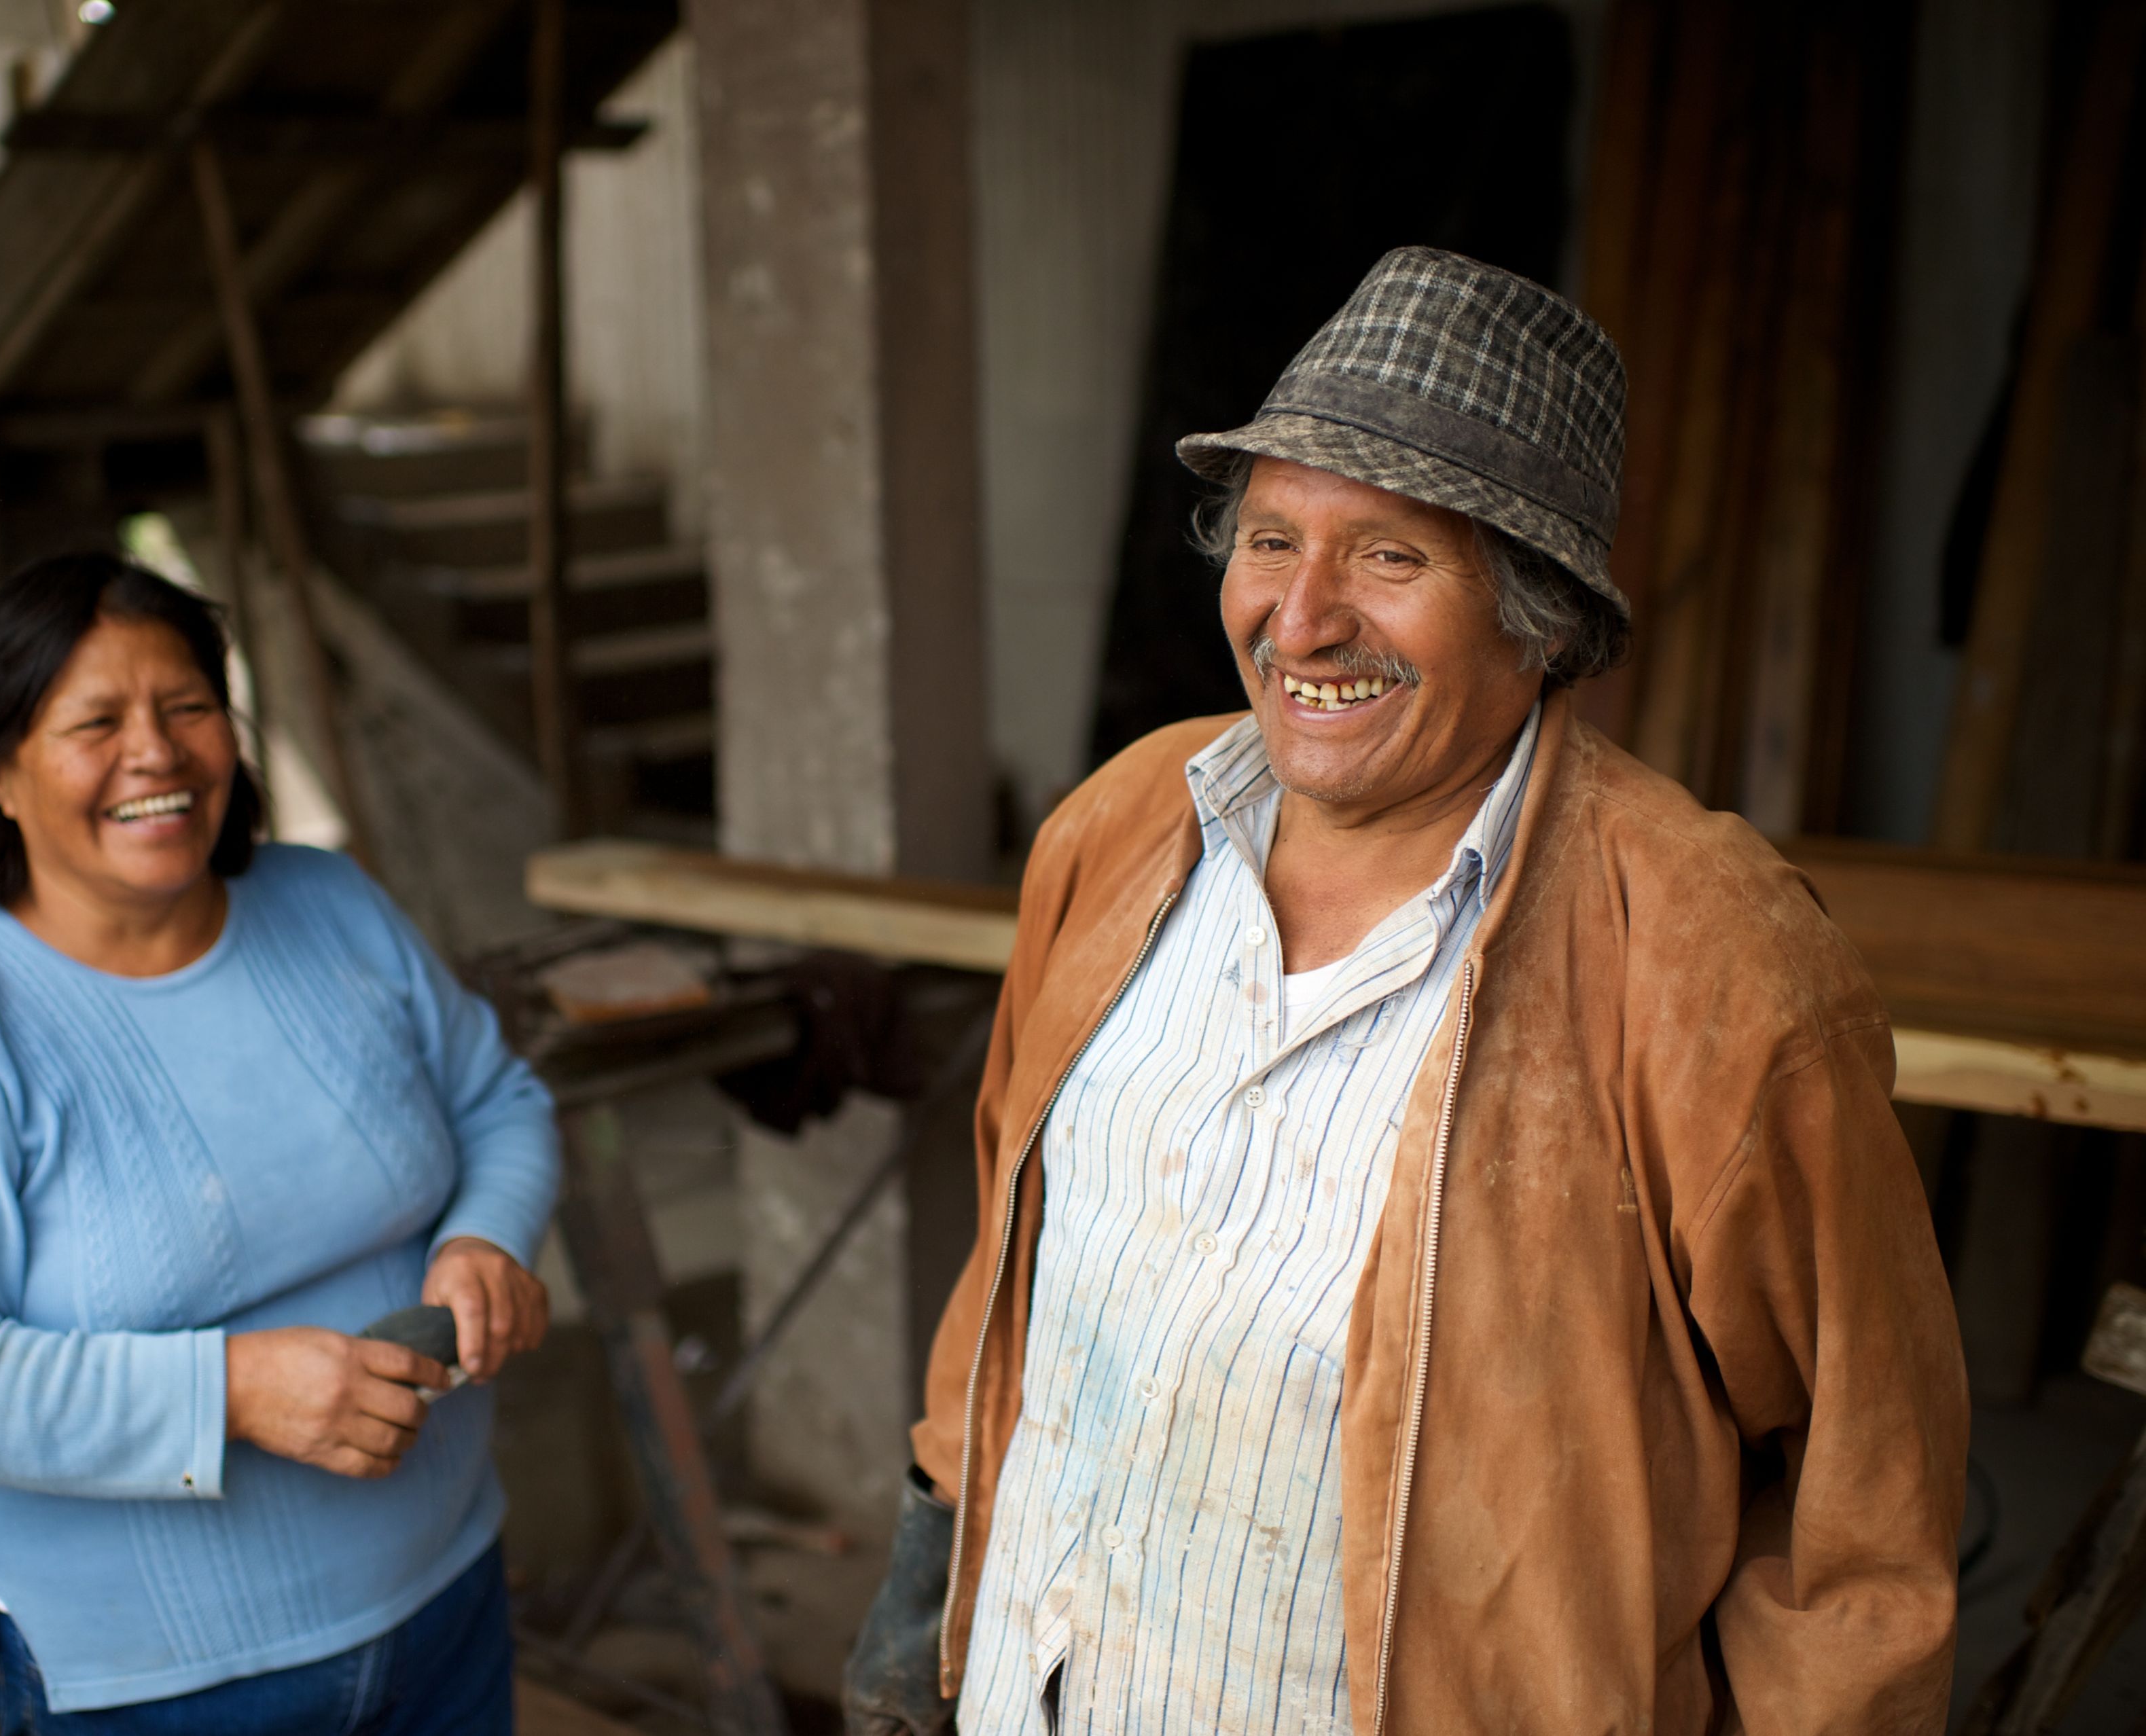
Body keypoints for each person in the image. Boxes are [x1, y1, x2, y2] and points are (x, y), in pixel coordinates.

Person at [842, 249, 1969, 1734]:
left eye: (1388, 558)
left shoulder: (1708, 955)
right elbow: (1021, 1232)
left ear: (1539, 613)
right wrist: (940, 1536)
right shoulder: (1123, 825)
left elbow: (1860, 1498)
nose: (1300, 621)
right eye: (1268, 540)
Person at [0, 553, 556, 1734]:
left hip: (445, 1601)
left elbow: (498, 1101)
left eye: (189, 707)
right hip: (158, 1689)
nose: (155, 752)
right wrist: (235, 1393)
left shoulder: (334, 904)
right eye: (94, 723)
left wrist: (485, 1239)